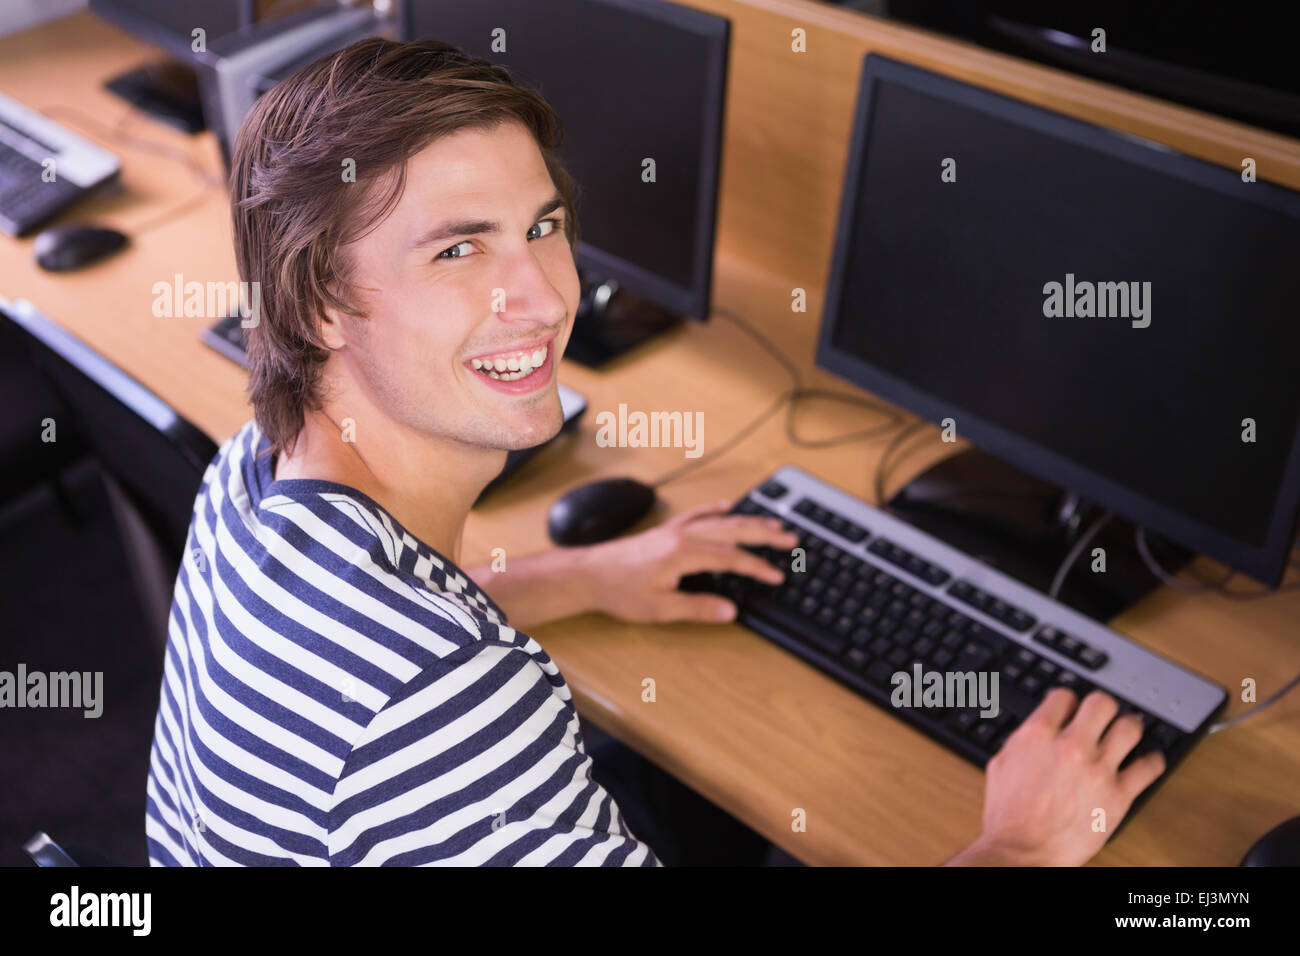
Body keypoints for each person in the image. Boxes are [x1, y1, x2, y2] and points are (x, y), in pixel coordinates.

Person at [144, 38, 1165, 866]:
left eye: (540, 225)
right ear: (320, 300)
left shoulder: (251, 471)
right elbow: (417, 696)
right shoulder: (441, 712)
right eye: (458, 248)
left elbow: (391, 638)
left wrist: (585, 572)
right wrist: (1019, 843)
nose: (546, 296)